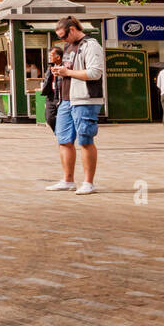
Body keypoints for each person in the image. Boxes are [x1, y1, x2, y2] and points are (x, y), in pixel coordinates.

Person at [46, 16, 105, 195]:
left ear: (73, 29)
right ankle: (68, 180)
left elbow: (95, 73)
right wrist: (60, 72)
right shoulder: (67, 47)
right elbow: (69, 71)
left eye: (64, 36)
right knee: (63, 141)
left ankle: (88, 183)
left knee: (85, 140)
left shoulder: (91, 45)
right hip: (65, 99)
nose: (62, 40)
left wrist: (68, 72)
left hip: (85, 99)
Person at [40, 47, 64, 132]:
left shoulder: (65, 67)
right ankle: (58, 133)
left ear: (58, 57)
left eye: (51, 55)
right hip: (51, 95)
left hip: (62, 96)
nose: (50, 57)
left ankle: (63, 135)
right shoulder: (50, 66)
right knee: (49, 118)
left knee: (64, 118)